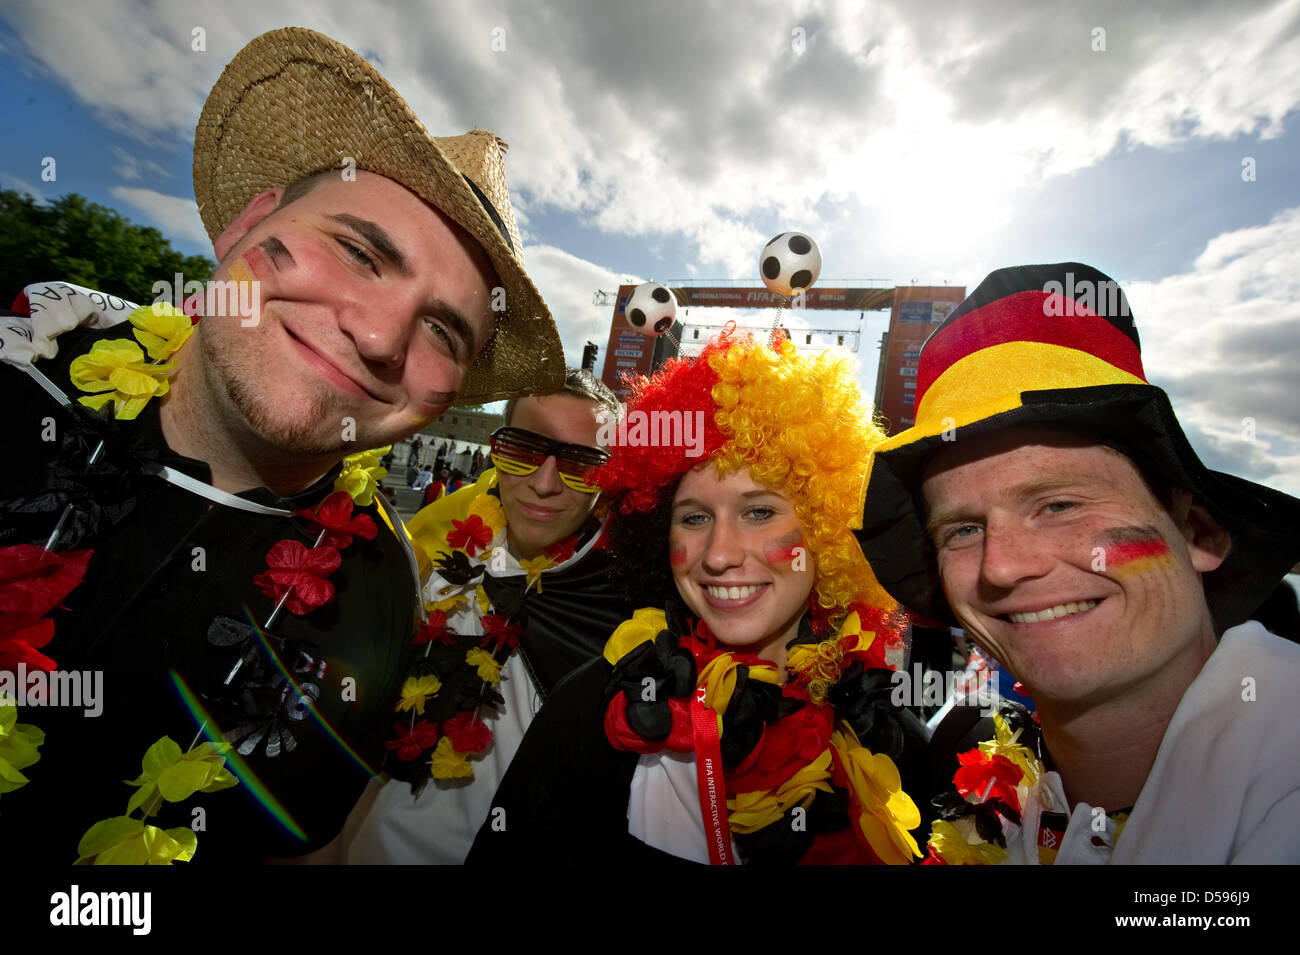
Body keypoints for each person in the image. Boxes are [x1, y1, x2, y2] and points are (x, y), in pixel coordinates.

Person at [0, 27, 563, 864]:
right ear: (249, 222)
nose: (377, 336)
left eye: (442, 329)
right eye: (359, 251)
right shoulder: (24, 372)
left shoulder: (379, 606)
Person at [855, 262, 1300, 864]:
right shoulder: (971, 774)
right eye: (963, 528)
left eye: (1059, 504)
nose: (1003, 567)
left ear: (1198, 533)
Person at [469, 330, 933, 865]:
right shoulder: (600, 708)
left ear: (825, 527)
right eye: (694, 517)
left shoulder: (892, 742)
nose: (718, 555)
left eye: (759, 512)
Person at [344, 368, 639, 864]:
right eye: (523, 449)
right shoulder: (434, 538)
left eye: (580, 465)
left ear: (607, 480)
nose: (544, 484)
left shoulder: (625, 605)